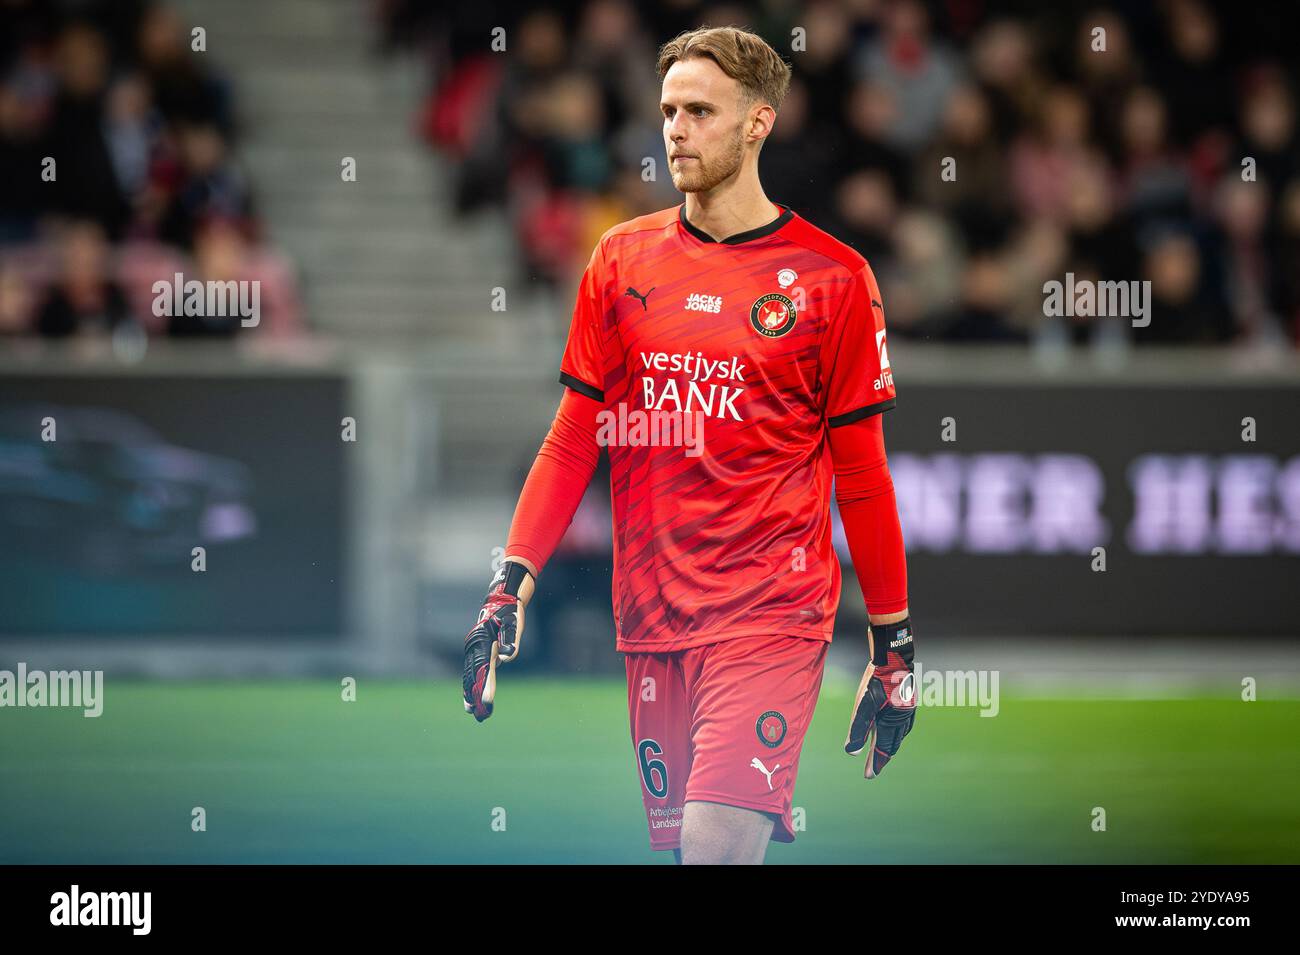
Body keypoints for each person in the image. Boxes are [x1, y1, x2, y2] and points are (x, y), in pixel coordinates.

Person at [463, 26, 916, 865]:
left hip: (771, 619)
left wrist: (894, 647)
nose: (675, 128)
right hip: (651, 618)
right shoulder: (620, 260)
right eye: (669, 109)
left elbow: (863, 475)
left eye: (700, 111)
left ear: (758, 123)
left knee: (711, 851)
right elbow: (573, 440)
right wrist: (509, 583)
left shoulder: (833, 278)